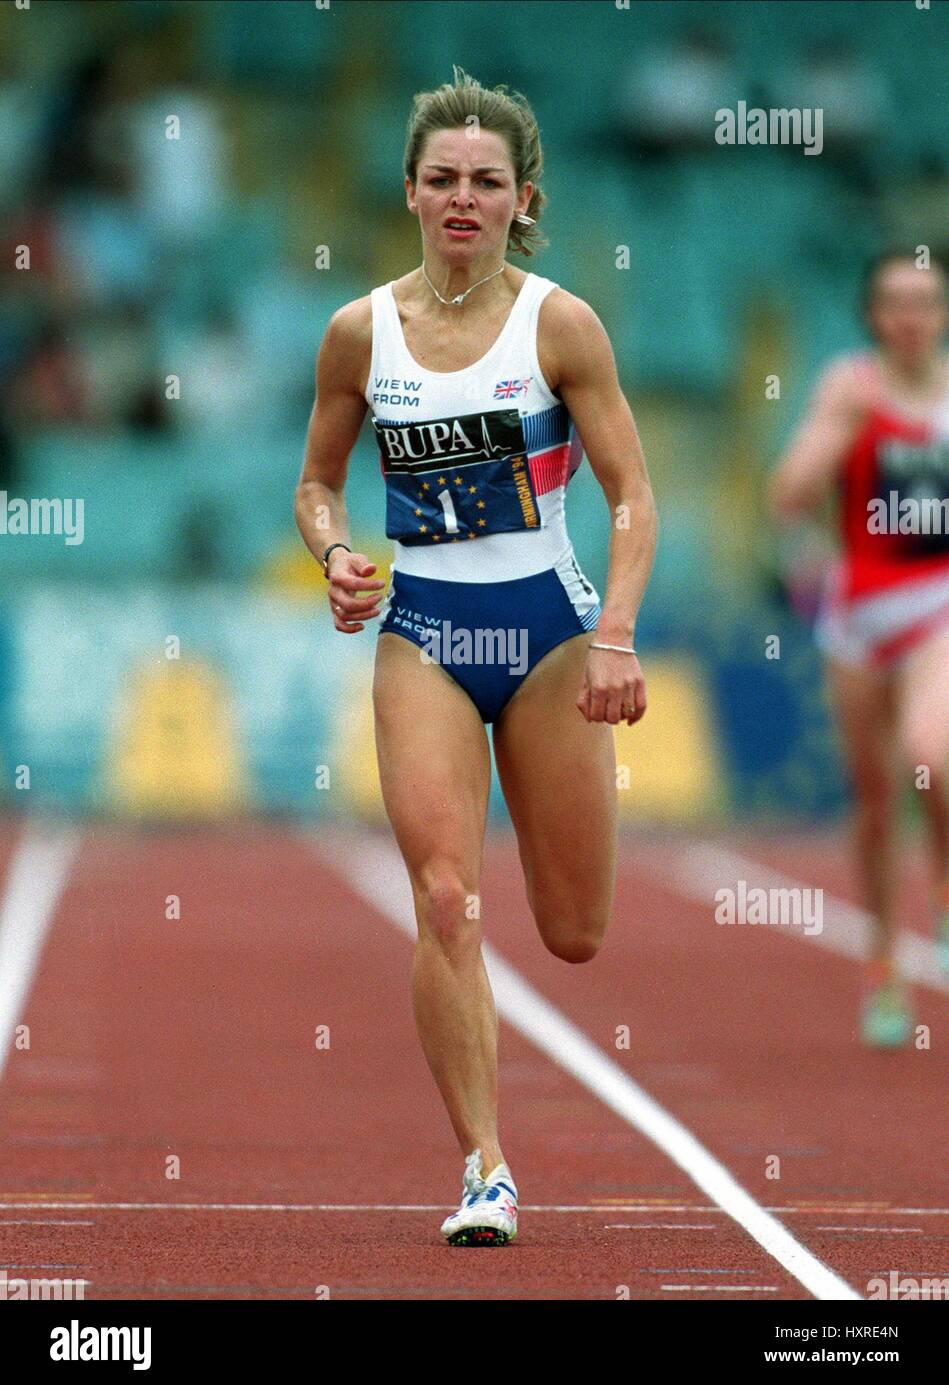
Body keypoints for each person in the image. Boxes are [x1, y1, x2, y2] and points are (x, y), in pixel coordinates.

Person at [295, 69, 656, 1242]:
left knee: (575, 932)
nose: (463, 198)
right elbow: (315, 483)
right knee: (445, 897)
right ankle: (484, 1167)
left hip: (550, 638)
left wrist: (615, 637)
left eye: (486, 182)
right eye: (443, 178)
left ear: (522, 199)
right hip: (427, 639)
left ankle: (488, 1153)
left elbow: (633, 497)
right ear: (409, 190)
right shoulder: (360, 333)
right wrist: (336, 551)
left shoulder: (560, 325)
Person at [769, 251, 949, 1047]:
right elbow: (788, 493)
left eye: (924, 301)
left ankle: (942, 886)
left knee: (930, 754)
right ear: (872, 316)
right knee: (874, 800)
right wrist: (831, 443)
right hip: (857, 616)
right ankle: (882, 963)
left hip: (936, 606)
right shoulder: (850, 387)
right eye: (894, 303)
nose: (910, 317)